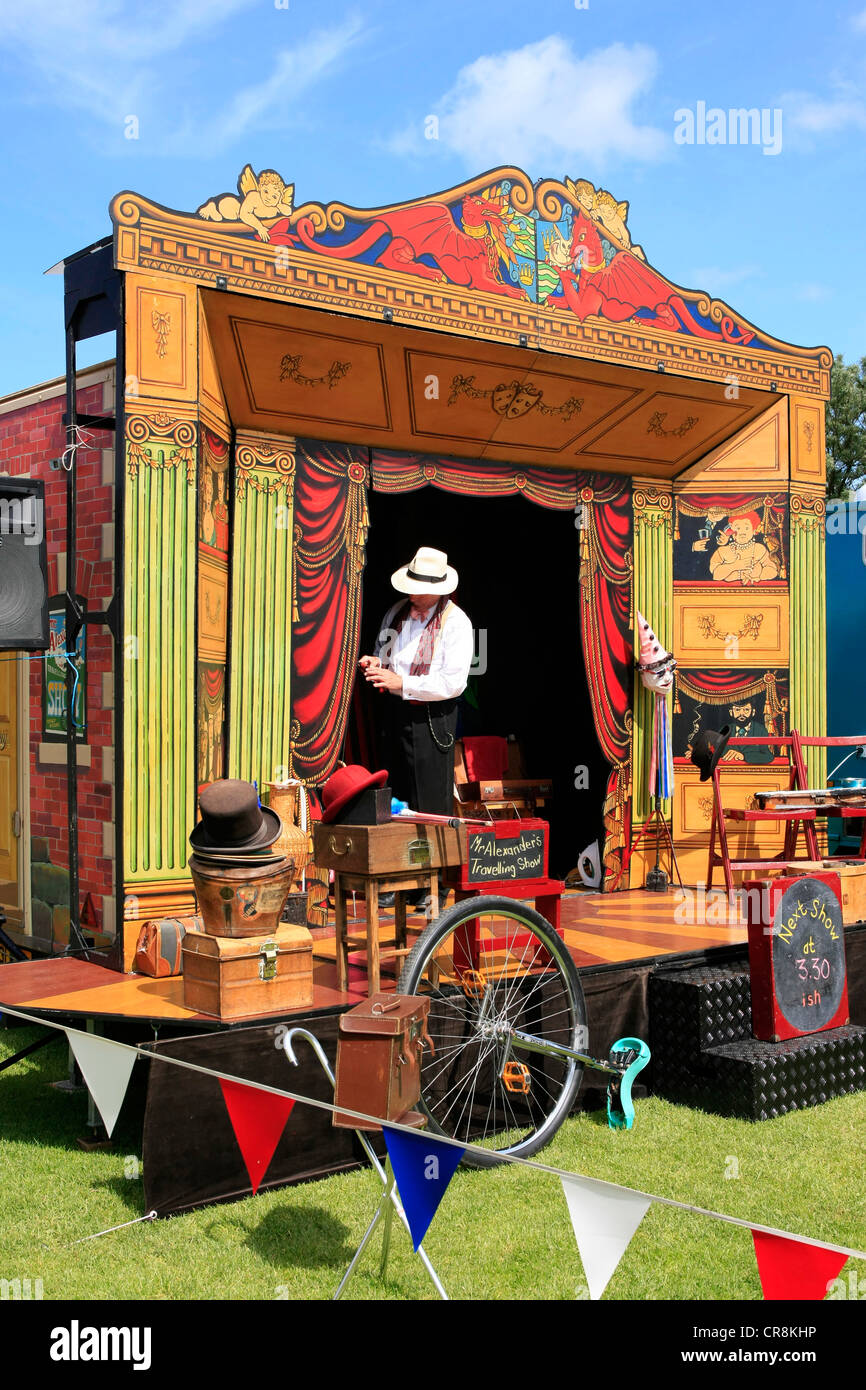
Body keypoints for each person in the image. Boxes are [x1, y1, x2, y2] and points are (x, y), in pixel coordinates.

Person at [359, 547, 474, 823]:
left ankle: (432, 862)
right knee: (392, 792)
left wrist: (403, 682)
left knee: (429, 798)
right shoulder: (396, 612)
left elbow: (453, 683)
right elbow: (385, 653)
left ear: (438, 590)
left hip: (431, 719)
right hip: (395, 714)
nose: (411, 594)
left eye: (418, 589)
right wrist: (377, 664)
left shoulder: (456, 622)